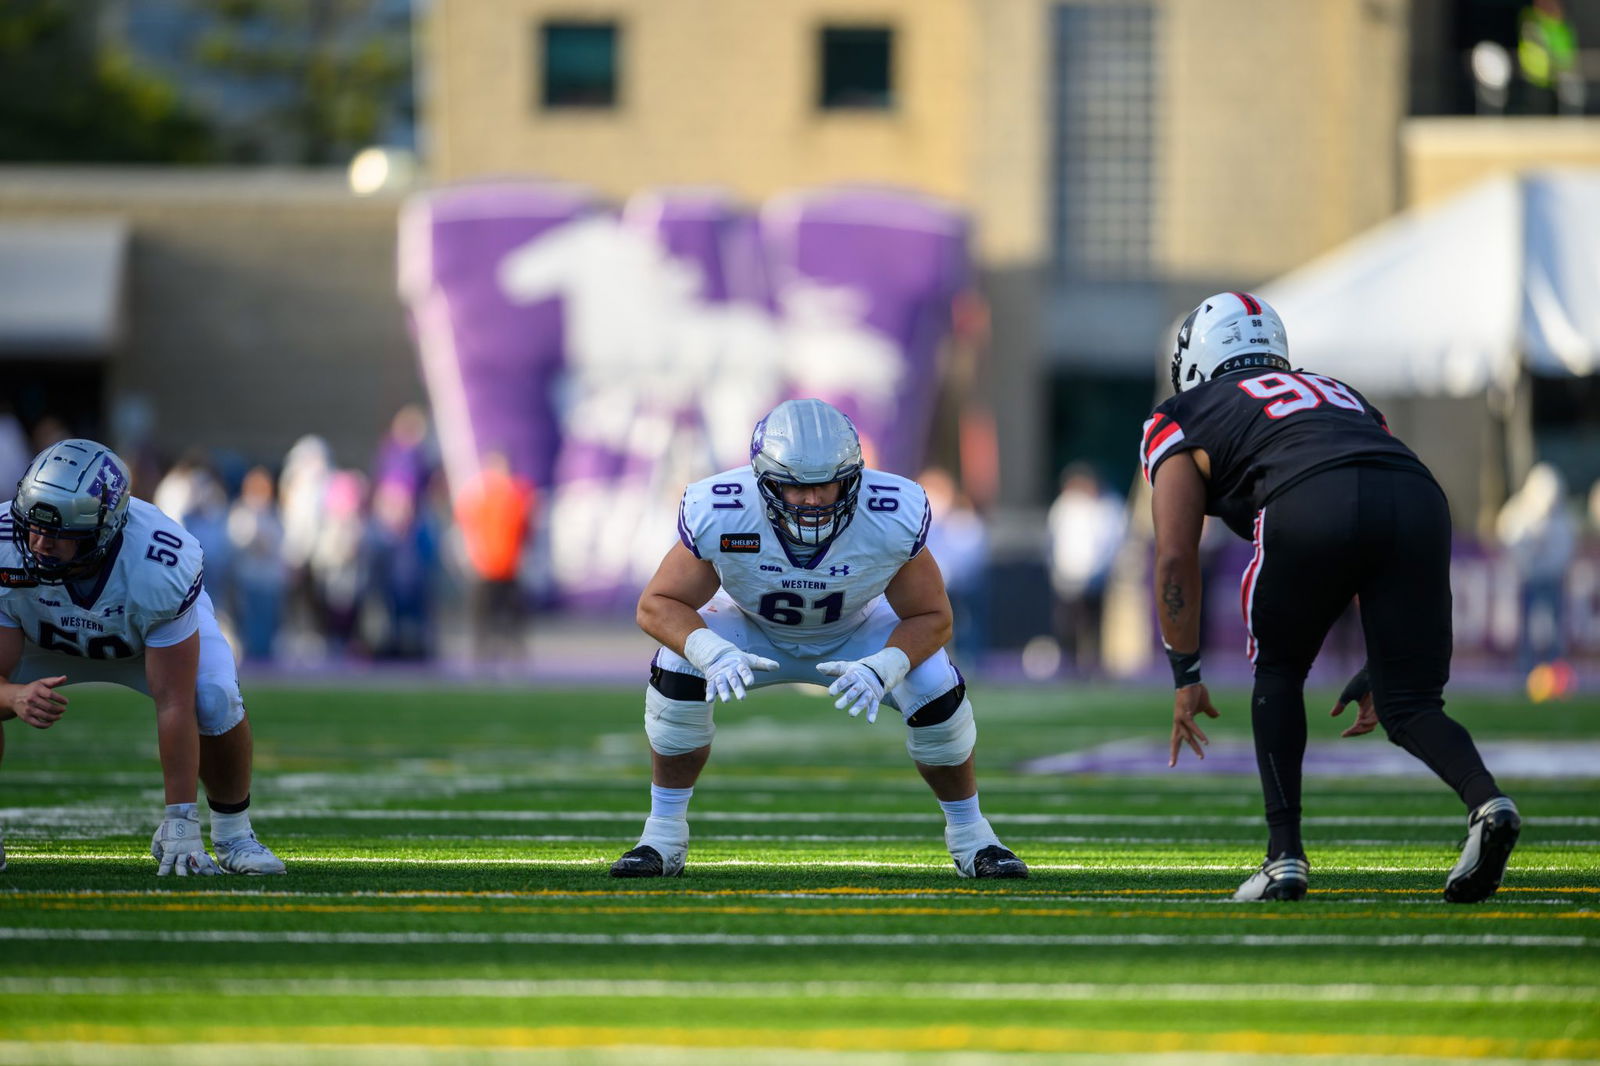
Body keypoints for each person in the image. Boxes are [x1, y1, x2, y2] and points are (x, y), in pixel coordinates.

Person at [1141, 292, 1518, 903]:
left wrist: (1185, 672)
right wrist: (1380, 655)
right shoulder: (1342, 393)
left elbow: (1176, 554)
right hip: (1419, 497)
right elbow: (1371, 488)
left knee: (1281, 671)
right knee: (1411, 701)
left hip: (1307, 497)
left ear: (1196, 356)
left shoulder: (1181, 413)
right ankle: (1487, 803)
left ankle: (1283, 856)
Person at [610, 398, 1027, 879]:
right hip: (750, 632)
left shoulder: (889, 511)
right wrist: (711, 649)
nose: (810, 500)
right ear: (764, 482)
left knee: (935, 682)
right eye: (794, 487)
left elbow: (934, 616)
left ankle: (974, 839)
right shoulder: (723, 508)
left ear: (852, 478)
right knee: (676, 665)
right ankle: (661, 838)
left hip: (856, 632)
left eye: (825, 486)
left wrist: (885, 665)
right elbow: (657, 603)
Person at [0, 440, 285, 876]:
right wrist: (15, 695)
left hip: (140, 636)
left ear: (103, 530)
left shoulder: (157, 560)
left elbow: (174, 701)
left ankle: (233, 835)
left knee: (213, 697)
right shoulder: (5, 544)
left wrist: (180, 821)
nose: (38, 544)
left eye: (59, 535)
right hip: (38, 635)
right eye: (32, 528)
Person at [1046, 463, 1126, 675]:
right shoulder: (1064, 506)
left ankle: (1094, 663)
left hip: (1095, 577)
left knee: (1094, 622)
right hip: (1068, 576)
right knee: (1068, 622)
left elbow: (1111, 543)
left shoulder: (1107, 507)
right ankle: (1071, 663)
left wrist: (1101, 569)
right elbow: (1055, 540)